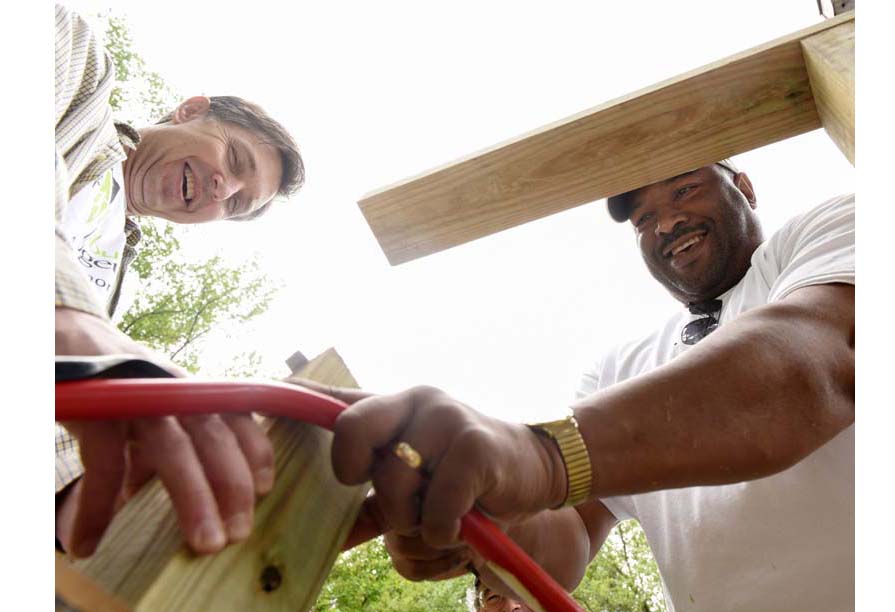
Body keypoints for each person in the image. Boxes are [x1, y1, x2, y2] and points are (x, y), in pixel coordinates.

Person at [319, 160, 854, 611]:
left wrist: (544, 457)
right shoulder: (620, 369)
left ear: (744, 186)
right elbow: (570, 535)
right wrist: (483, 525)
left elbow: (809, 368)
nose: (665, 223)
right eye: (643, 219)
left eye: (684, 190)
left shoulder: (831, 230)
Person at [54, 4, 304, 559]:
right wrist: (67, 320)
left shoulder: (111, 284)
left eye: (237, 202)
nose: (224, 188)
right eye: (234, 157)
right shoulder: (78, 67)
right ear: (189, 109)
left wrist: (81, 504)